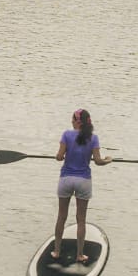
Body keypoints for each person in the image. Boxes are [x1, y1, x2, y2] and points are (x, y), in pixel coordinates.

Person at [54, 108, 110, 263]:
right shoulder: (93, 138)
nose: (71, 121)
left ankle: (57, 251)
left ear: (77, 121)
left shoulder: (66, 135)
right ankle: (80, 255)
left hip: (66, 179)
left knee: (61, 217)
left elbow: (59, 156)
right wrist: (108, 160)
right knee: (81, 220)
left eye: (72, 119)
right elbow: (98, 161)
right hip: (83, 181)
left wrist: (59, 156)